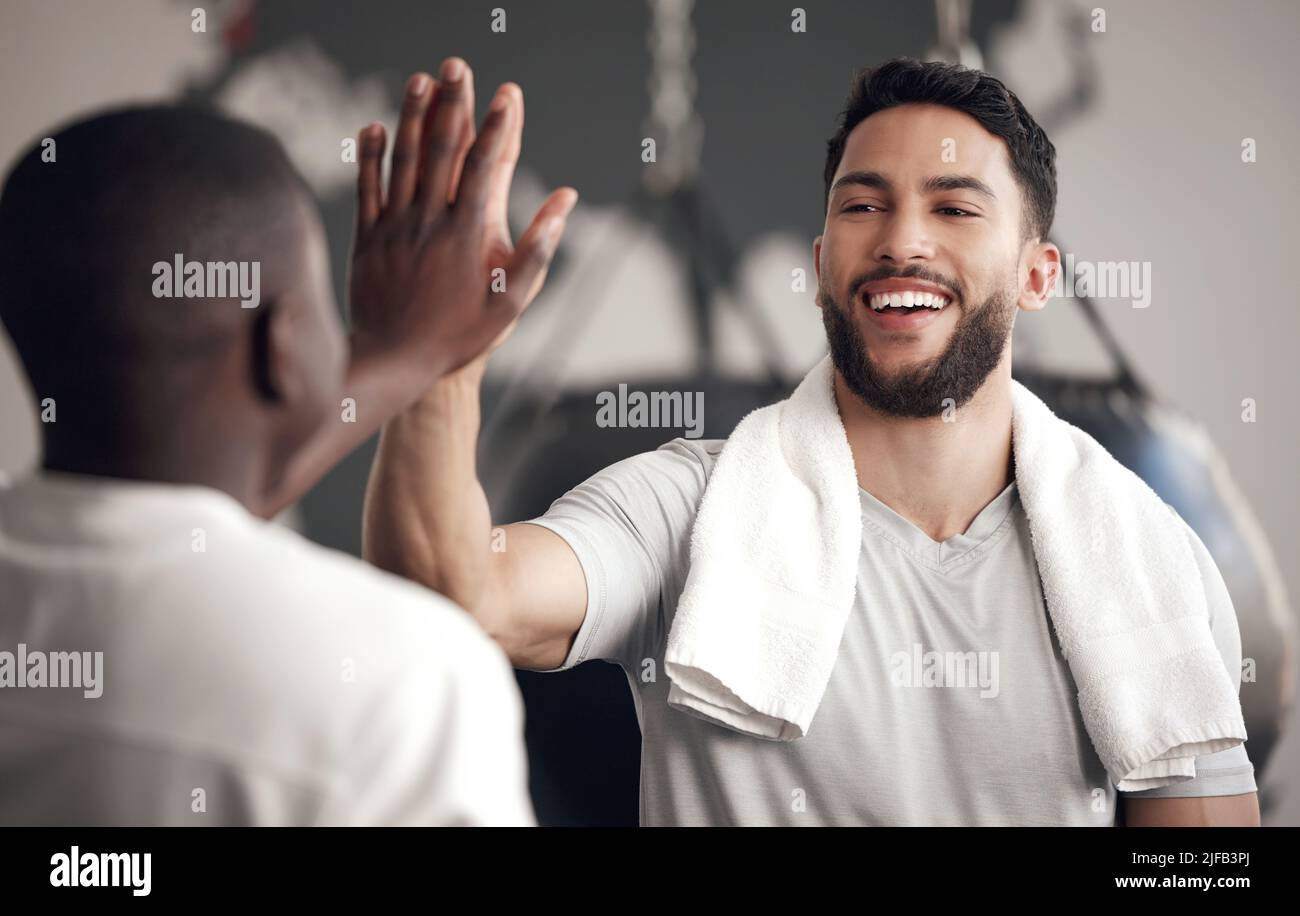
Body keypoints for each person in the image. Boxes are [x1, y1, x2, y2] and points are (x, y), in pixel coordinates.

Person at [363, 58, 1260, 827]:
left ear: (1036, 274)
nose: (901, 241)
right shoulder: (686, 509)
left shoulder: (1150, 561)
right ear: (824, 257)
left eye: (954, 209)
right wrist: (433, 360)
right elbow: (453, 595)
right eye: (865, 205)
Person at [0, 57, 576, 825]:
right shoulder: (404, 680)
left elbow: (150, 541)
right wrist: (413, 351)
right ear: (282, 344)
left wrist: (408, 352)